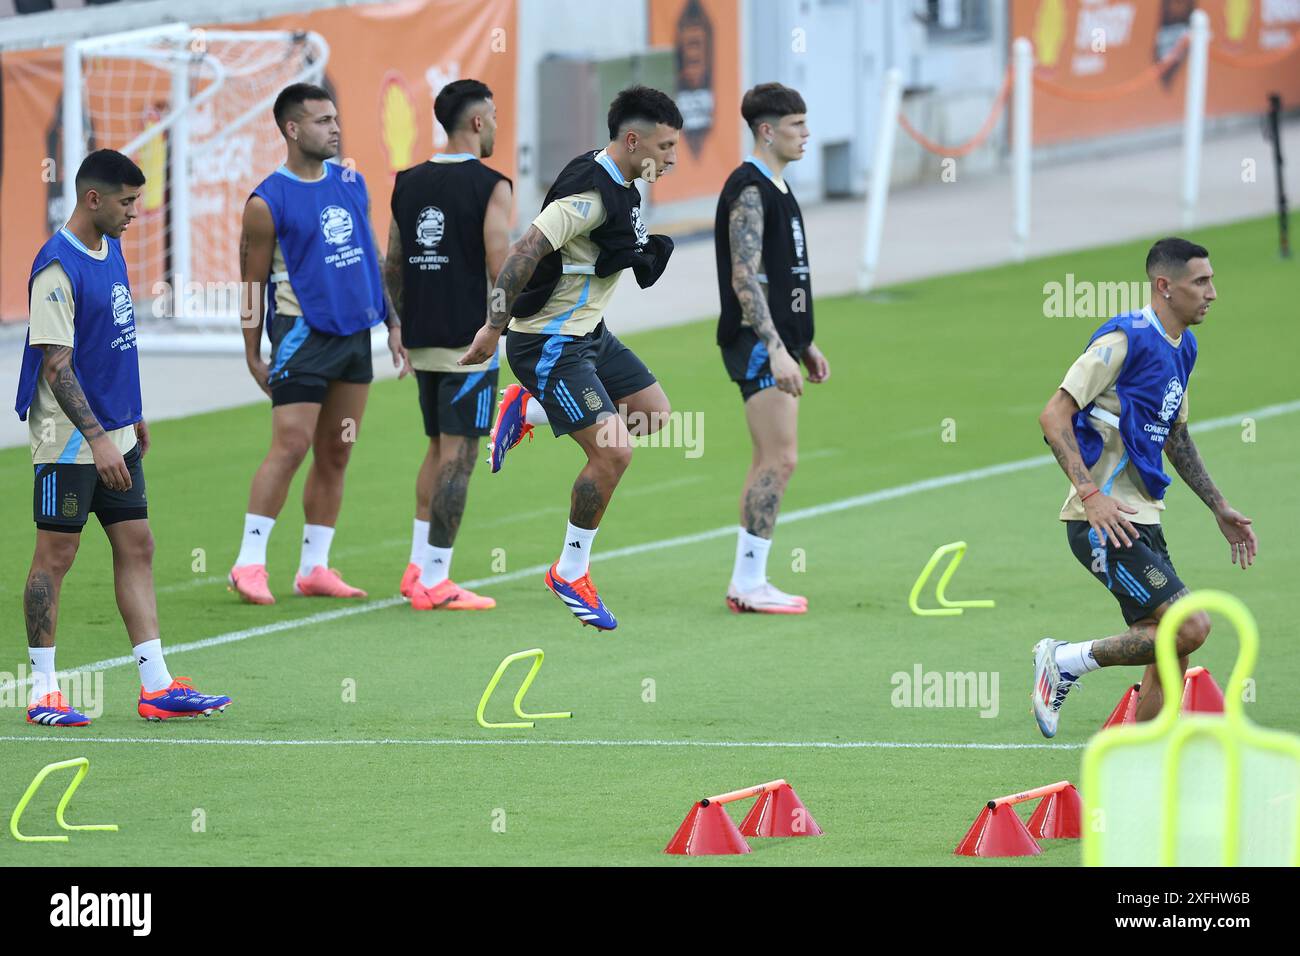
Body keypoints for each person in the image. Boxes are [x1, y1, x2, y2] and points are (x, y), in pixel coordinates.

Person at [15, 149, 231, 726]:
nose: (137, 211)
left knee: (138, 545)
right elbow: (58, 366)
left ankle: (156, 685)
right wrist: (98, 440)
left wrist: (131, 416)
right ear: (94, 199)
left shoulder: (110, 249)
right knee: (56, 556)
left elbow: (113, 341)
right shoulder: (56, 267)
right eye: (128, 201)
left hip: (116, 430)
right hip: (68, 439)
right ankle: (41, 691)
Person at [462, 86, 680, 631]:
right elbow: (524, 251)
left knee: (654, 414)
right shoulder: (587, 196)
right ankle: (569, 570)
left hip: (589, 334)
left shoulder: (626, 177)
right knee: (613, 454)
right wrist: (494, 328)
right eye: (666, 146)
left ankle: (524, 410)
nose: (673, 158)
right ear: (633, 141)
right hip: (548, 344)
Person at [1032, 237, 1257, 737]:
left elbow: (1174, 434)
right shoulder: (1123, 341)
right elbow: (1053, 417)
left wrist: (1218, 506)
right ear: (1165, 286)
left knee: (1168, 647)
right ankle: (1065, 660)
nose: (1212, 293)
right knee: (1191, 625)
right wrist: (1090, 495)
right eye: (1201, 281)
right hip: (1104, 522)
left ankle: (1141, 757)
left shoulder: (1185, 347)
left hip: (1144, 518)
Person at [229, 83, 409, 605]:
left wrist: (393, 322)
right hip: (301, 336)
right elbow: (250, 283)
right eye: (322, 120)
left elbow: (371, 255)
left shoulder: (351, 181)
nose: (334, 128)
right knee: (290, 446)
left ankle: (314, 567)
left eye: (335, 118)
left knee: (337, 449)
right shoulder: (266, 203)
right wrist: (250, 351)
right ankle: (249, 563)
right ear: (291, 129)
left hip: (355, 335)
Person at [386, 79, 512, 611]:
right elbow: (501, 268)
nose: (499, 126)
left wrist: (400, 326)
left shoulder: (407, 181)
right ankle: (437, 579)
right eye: (496, 116)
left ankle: (418, 567)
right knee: (459, 458)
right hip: (469, 345)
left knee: (438, 448)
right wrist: (506, 330)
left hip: (422, 339)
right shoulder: (492, 185)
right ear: (478, 122)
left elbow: (392, 263)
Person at [714, 83, 828, 614]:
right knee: (781, 458)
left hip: (778, 343)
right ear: (766, 131)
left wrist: (804, 343)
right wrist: (777, 348)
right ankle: (749, 583)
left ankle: (748, 580)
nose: (806, 134)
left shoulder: (778, 187)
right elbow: (744, 277)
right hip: (758, 345)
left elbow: (782, 277)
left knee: (771, 458)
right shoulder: (751, 190)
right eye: (796, 125)